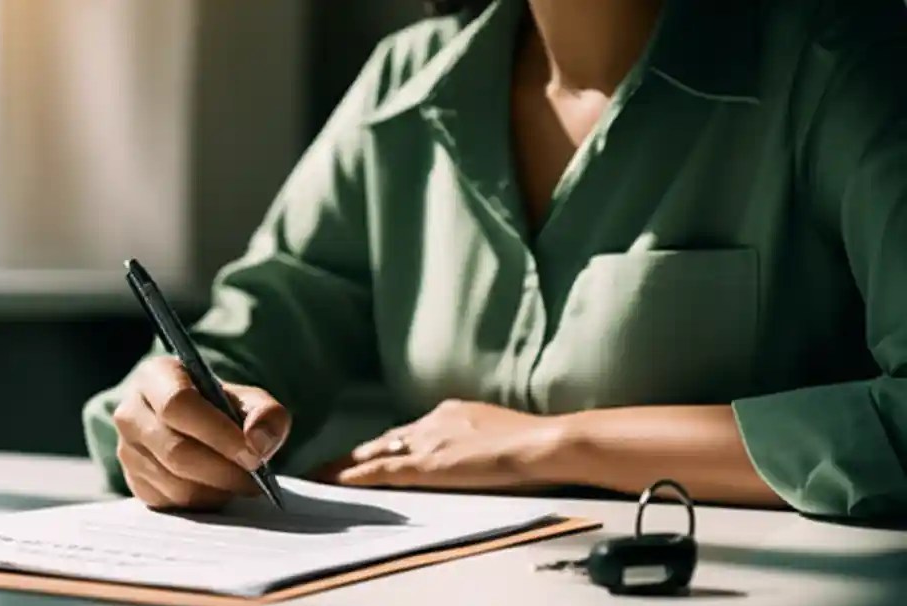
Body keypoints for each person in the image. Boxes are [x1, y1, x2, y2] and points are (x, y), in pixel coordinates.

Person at [83, 0, 907, 518]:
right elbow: (249, 339)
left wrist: (554, 445)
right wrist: (168, 417)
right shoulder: (404, 87)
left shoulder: (844, 65)